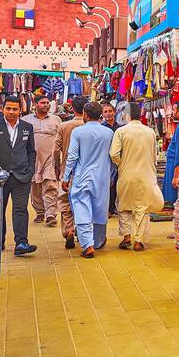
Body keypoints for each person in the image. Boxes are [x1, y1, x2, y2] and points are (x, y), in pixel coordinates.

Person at [0, 97, 37, 256]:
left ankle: (22, 243)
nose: (11, 112)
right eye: (8, 108)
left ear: (20, 110)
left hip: (21, 176)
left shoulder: (27, 127)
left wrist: (30, 169)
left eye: (14, 109)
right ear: (2, 109)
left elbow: (31, 151)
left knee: (20, 210)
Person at [62, 102, 115, 258]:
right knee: (100, 209)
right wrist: (111, 175)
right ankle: (98, 241)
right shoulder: (108, 133)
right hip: (102, 177)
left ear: (85, 114)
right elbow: (112, 157)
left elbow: (72, 157)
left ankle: (87, 245)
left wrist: (66, 177)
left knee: (82, 208)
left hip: (83, 176)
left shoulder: (78, 132)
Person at [110, 116, 166, 251]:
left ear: (127, 116)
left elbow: (114, 154)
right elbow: (154, 155)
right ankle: (139, 241)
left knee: (123, 205)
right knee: (142, 207)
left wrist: (121, 164)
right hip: (146, 175)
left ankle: (126, 236)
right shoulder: (150, 132)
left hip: (126, 174)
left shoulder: (121, 131)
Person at [55, 96, 88, 249]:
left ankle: (68, 229)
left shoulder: (64, 126)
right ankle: (82, 232)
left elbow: (55, 150)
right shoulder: (92, 126)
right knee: (84, 202)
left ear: (72, 109)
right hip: (86, 171)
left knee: (65, 201)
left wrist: (57, 167)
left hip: (66, 169)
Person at [26, 96, 62, 227]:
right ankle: (40, 212)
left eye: (47, 103)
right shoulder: (26, 120)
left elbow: (60, 139)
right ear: (35, 104)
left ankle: (50, 214)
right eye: (43, 103)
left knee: (50, 185)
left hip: (50, 158)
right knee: (35, 187)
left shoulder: (56, 120)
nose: (46, 105)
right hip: (32, 159)